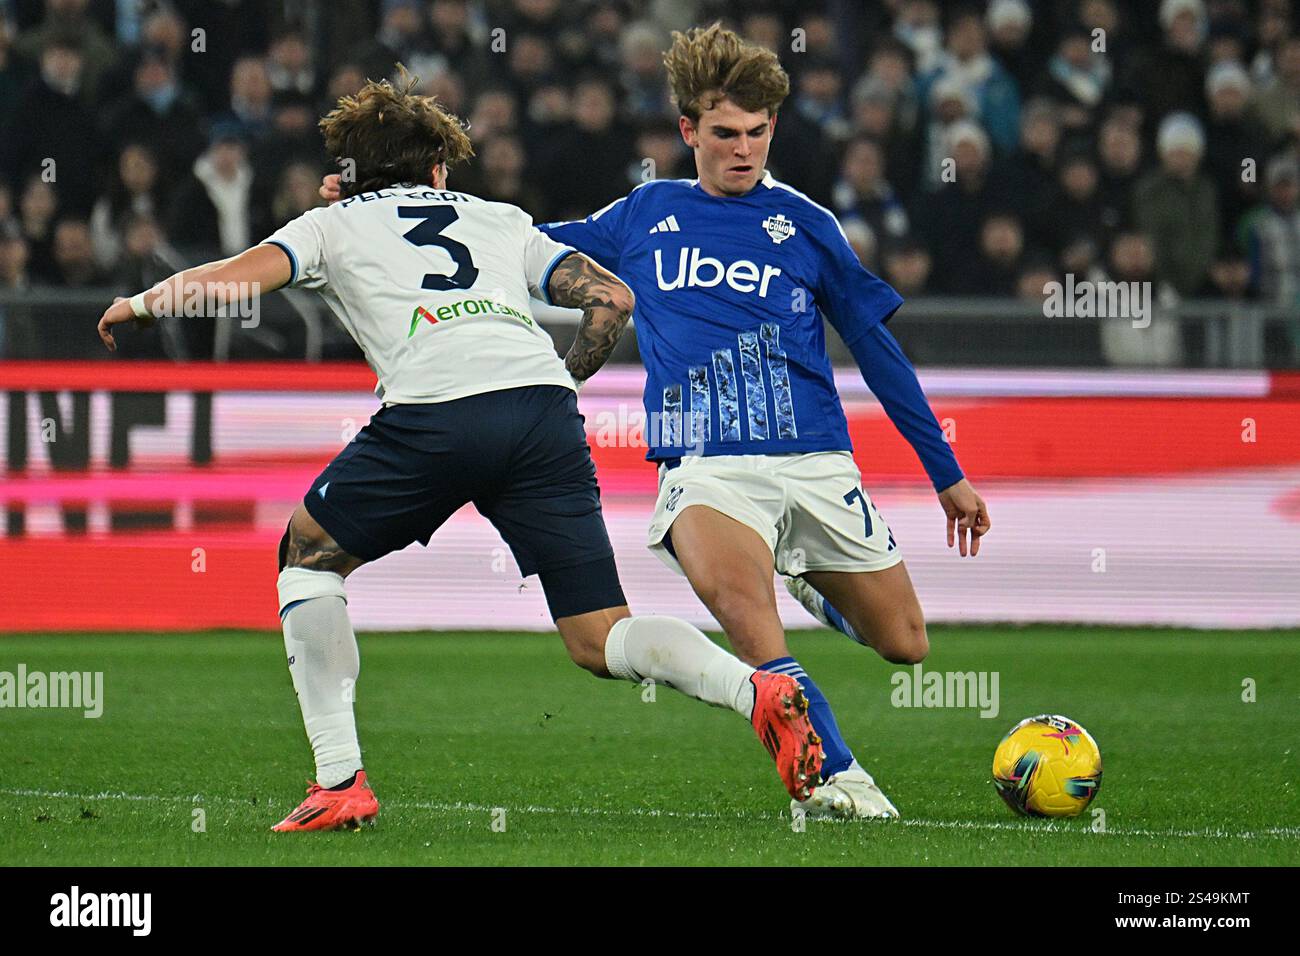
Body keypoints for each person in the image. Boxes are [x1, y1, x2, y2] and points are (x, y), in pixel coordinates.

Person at [98, 73, 825, 832]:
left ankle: (340, 780)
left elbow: (237, 280)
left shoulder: (331, 222)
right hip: (541, 414)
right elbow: (612, 297)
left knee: (307, 558)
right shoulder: (499, 217)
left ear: (350, 174)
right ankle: (754, 691)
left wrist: (145, 302)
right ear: (439, 169)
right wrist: (561, 379)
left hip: (435, 412)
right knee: (601, 634)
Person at [326, 25, 991, 820]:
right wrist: (376, 209)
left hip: (815, 459)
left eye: (756, 133)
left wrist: (945, 473)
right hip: (706, 467)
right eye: (724, 134)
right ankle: (839, 778)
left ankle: (804, 578)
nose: (742, 150)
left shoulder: (808, 224)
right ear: (688, 132)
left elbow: (878, 351)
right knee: (753, 633)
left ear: (772, 129)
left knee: (905, 643)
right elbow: (505, 247)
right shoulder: (646, 214)